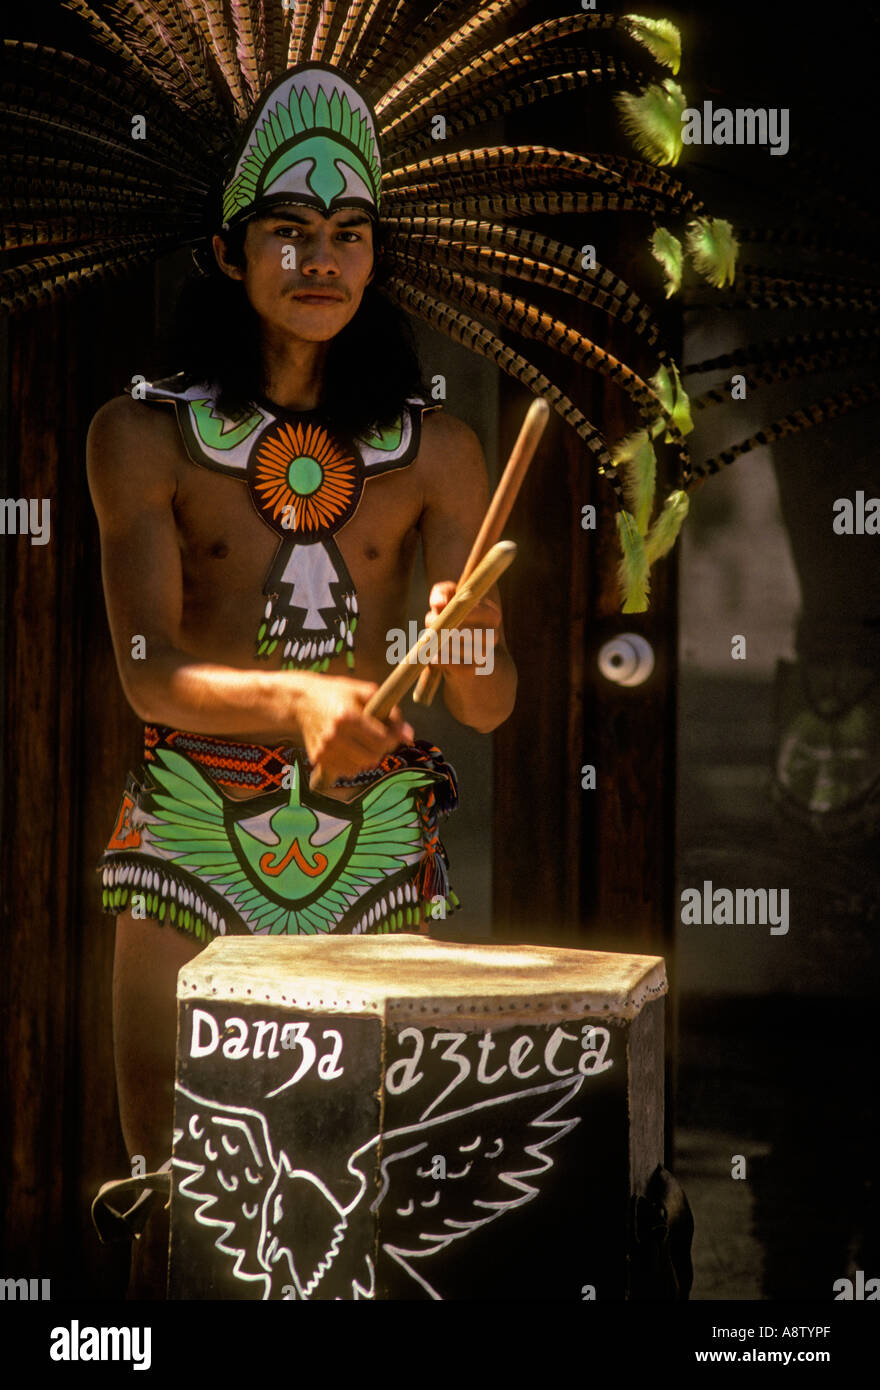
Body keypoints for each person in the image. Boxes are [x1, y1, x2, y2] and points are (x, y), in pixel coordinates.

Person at [86, 64, 516, 1295]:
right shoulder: (141, 434)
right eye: (289, 232)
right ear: (230, 253)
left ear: (376, 256)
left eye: (347, 235)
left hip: (374, 848)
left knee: (363, 1203)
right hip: (187, 842)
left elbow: (486, 706)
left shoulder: (440, 451)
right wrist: (303, 700)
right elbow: (148, 676)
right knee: (175, 1202)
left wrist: (465, 641)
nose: (320, 260)